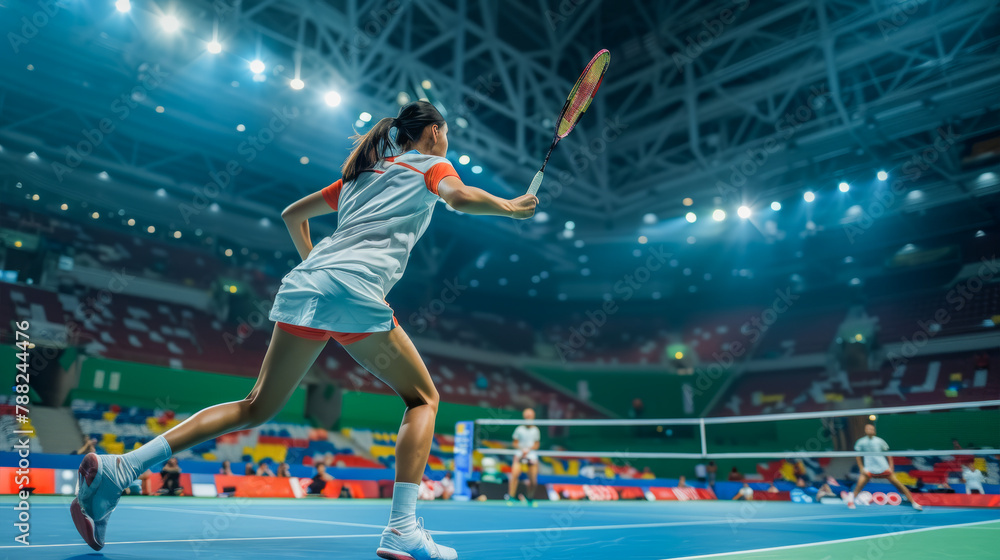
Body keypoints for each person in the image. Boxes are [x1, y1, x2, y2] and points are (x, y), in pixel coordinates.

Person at [70, 100, 538, 558]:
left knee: (254, 406)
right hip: (354, 291)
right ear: (433, 132)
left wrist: (316, 265)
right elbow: (458, 198)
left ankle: (121, 469)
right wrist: (512, 208)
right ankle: (401, 529)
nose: (447, 140)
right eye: (446, 132)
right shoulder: (431, 166)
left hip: (306, 286)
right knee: (423, 399)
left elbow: (292, 215)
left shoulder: (358, 178)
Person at [847, 423, 922, 511]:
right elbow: (858, 456)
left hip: (883, 468)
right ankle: (850, 501)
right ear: (865, 431)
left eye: (871, 429)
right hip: (869, 469)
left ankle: (914, 503)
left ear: (874, 431)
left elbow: (888, 455)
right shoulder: (861, 442)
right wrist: (861, 468)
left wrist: (891, 467)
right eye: (867, 429)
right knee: (859, 486)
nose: (869, 430)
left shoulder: (880, 441)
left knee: (900, 486)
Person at [507, 408, 541, 504]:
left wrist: (528, 450)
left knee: (533, 480)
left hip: (532, 456)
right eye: (527, 416)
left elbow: (536, 444)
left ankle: (529, 498)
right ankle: (511, 496)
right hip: (520, 455)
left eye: (530, 416)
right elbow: (514, 443)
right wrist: (522, 450)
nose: (528, 418)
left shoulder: (536, 430)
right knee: (514, 475)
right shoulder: (519, 429)